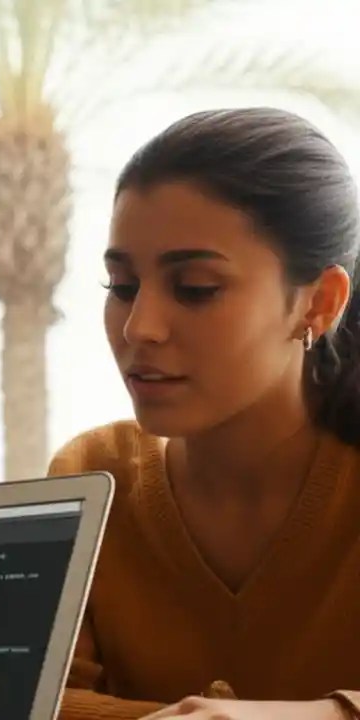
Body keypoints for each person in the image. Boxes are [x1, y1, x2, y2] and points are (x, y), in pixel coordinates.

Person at [50, 107, 360, 720]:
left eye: (195, 288)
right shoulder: (92, 474)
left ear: (319, 303)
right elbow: (39, 699)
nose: (140, 328)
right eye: (121, 286)